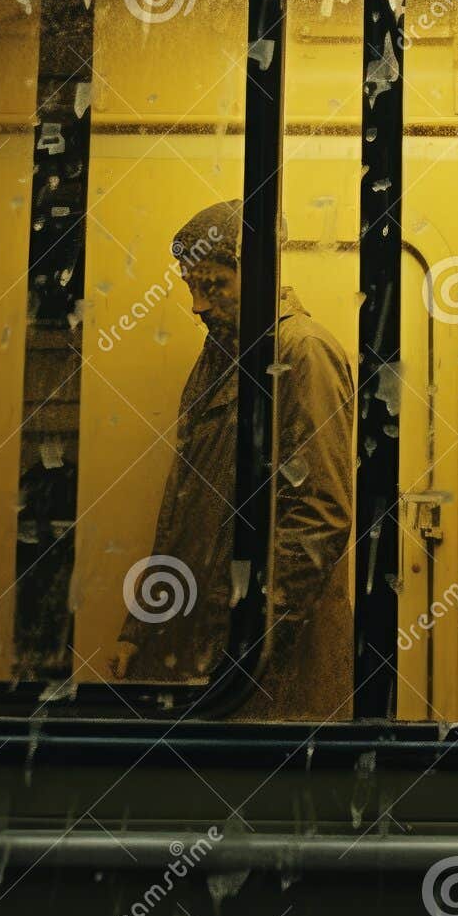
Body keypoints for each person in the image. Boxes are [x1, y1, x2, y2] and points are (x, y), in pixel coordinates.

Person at [114, 200, 354, 721]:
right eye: (189, 286)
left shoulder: (302, 352)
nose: (197, 305)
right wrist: (141, 627)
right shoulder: (220, 355)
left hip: (270, 663)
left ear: (260, 274)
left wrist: (251, 645)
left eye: (214, 285)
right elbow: (181, 506)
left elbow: (320, 516)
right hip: (209, 647)